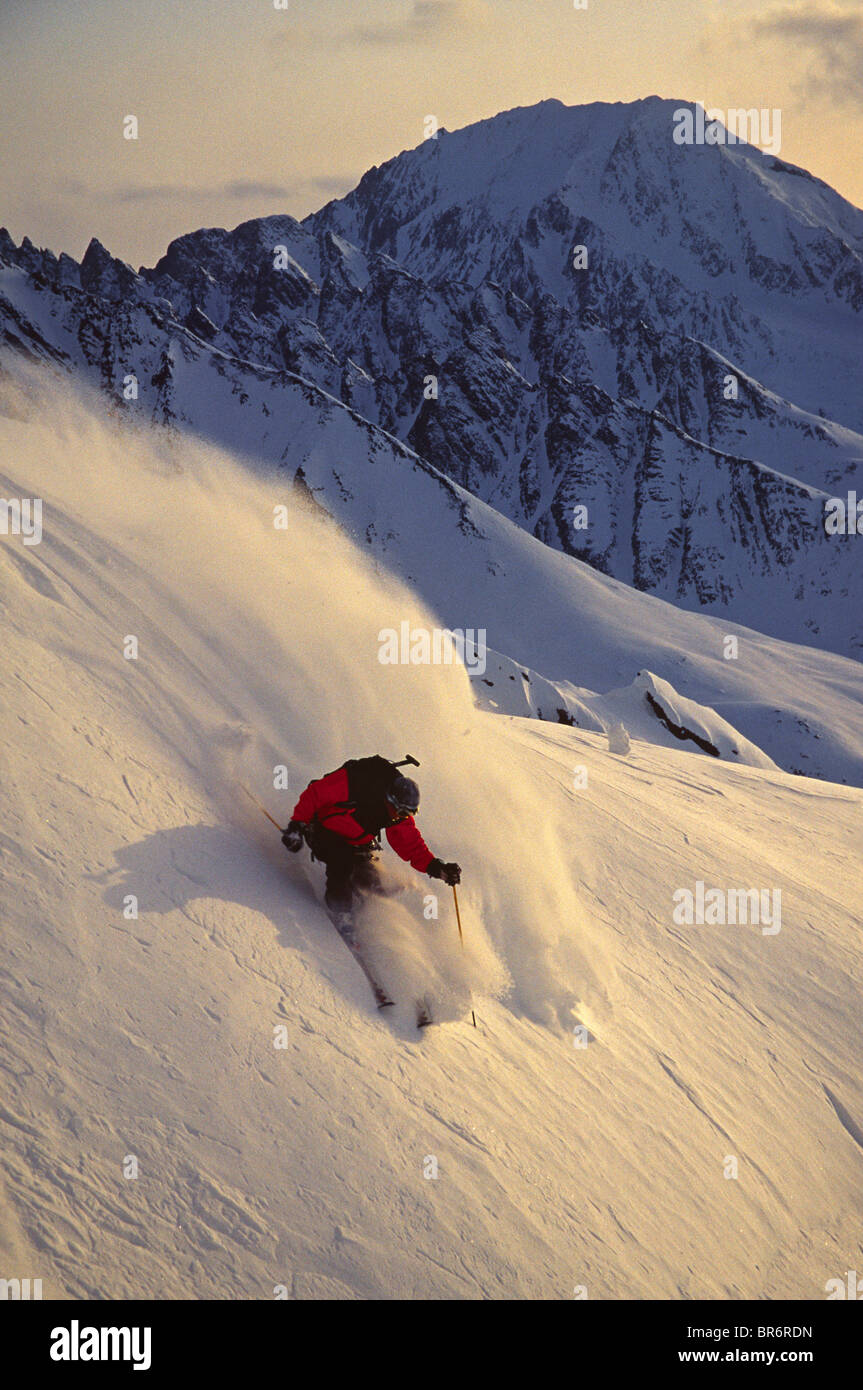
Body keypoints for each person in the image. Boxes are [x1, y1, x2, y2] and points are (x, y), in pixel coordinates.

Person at [281, 755, 461, 922]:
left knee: (371, 882)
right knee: (341, 865)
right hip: (323, 829)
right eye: (400, 811)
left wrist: (438, 868)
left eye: (407, 814)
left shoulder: (397, 816)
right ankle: (341, 914)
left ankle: (363, 916)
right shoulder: (357, 784)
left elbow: (411, 845)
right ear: (390, 799)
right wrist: (297, 825)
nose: (401, 816)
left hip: (356, 843)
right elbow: (316, 793)